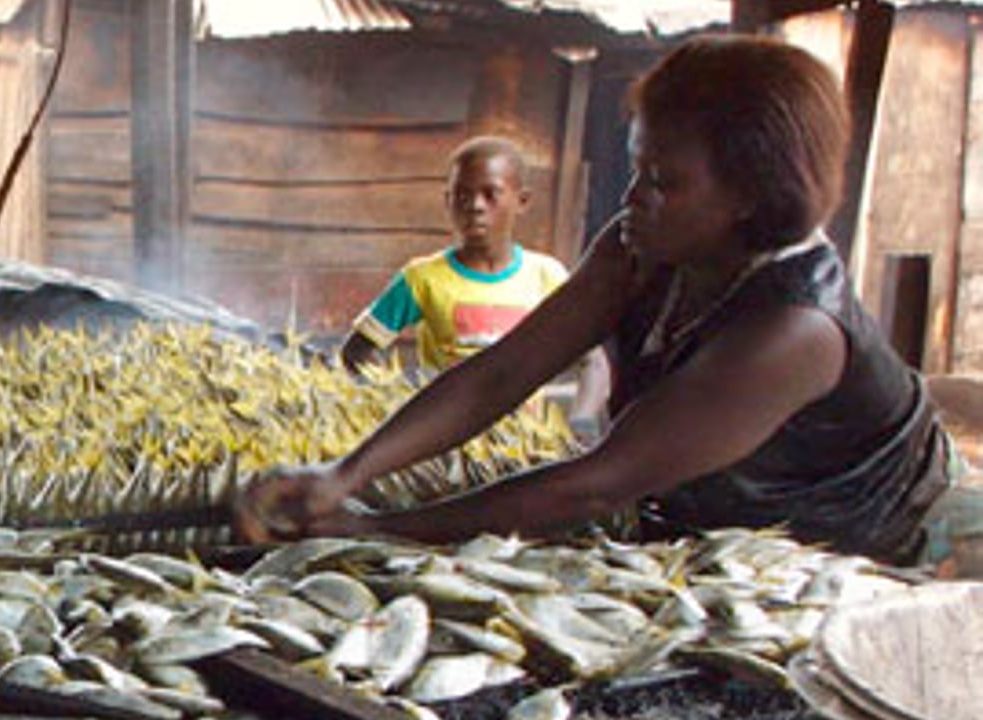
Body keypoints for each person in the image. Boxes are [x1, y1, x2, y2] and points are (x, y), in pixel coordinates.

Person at [234, 35, 977, 569]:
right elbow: (505, 372)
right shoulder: (639, 243)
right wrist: (347, 474)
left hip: (892, 533)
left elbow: (598, 483)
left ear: (749, 198)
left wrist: (379, 532)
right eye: (637, 168)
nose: (635, 196)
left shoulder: (794, 330)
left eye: (665, 181)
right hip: (736, 518)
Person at [340, 136, 609, 443]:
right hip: (441, 448)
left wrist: (582, 420)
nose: (475, 206)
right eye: (462, 195)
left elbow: (594, 362)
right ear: (448, 201)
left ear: (522, 201)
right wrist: (395, 402)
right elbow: (356, 352)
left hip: (521, 448)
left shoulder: (547, 276)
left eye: (490, 194)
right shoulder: (421, 279)